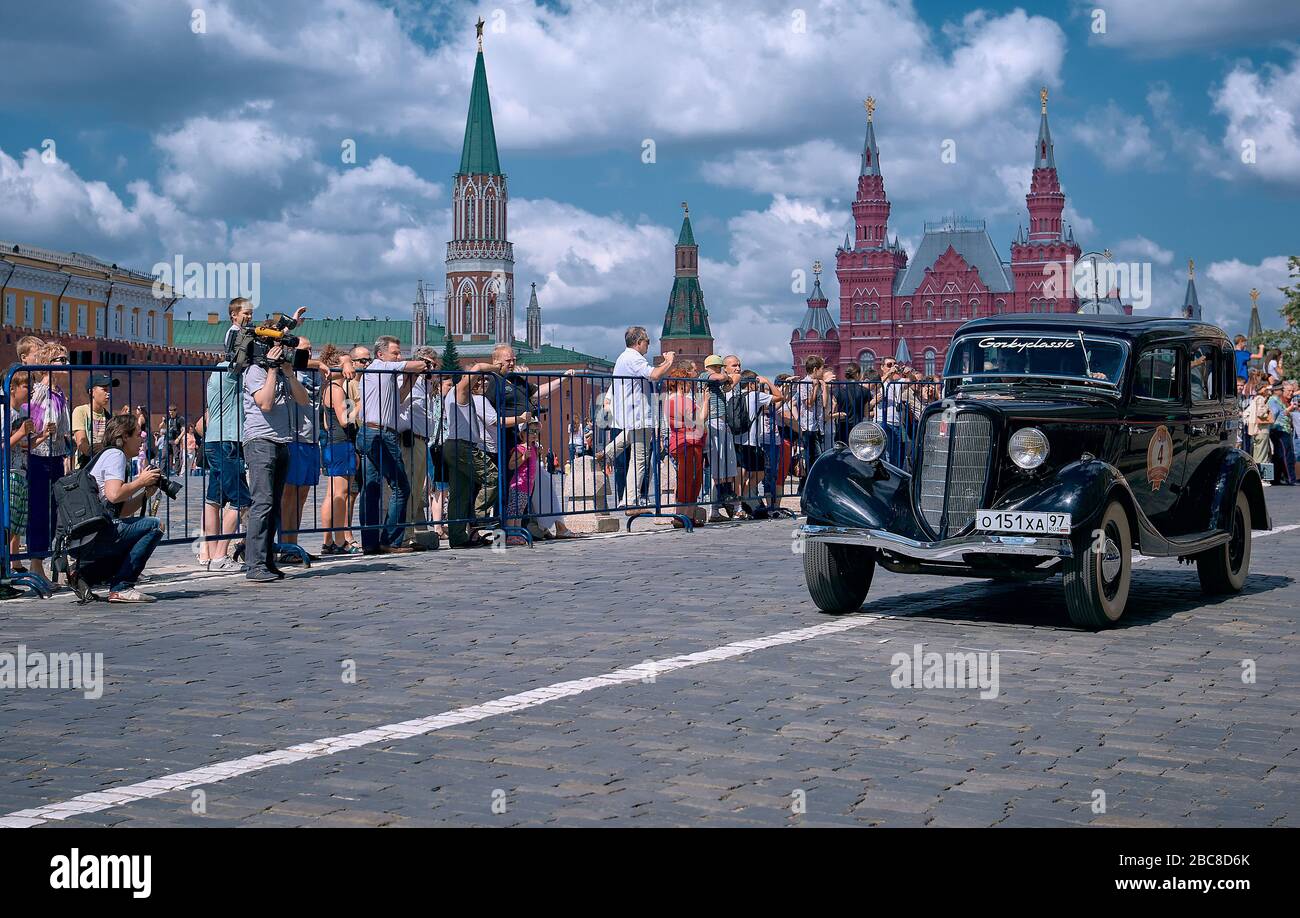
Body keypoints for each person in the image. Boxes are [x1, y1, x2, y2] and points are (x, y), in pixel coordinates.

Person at [354, 335, 435, 555]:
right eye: (395, 353)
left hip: (372, 432)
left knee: (371, 489)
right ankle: (390, 540)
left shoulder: (381, 374)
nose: (399, 356)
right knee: (402, 487)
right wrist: (425, 364)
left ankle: (370, 542)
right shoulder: (380, 367)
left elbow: (400, 397)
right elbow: (416, 363)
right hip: (380, 434)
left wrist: (412, 377)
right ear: (381, 354)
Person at [241, 339, 311, 582]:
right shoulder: (254, 371)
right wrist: (271, 369)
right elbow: (266, 403)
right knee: (262, 503)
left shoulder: (283, 372)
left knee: (274, 506)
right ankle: (254, 564)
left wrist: (289, 374)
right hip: (260, 441)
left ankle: (267, 560)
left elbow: (303, 401)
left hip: (282, 441)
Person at [80, 414, 165, 603]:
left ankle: (84, 574)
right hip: (96, 534)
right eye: (137, 433)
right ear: (124, 437)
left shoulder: (108, 455)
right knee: (155, 525)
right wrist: (140, 481)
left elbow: (122, 510)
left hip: (87, 535)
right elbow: (114, 494)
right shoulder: (116, 455)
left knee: (133, 528)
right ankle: (122, 586)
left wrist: (145, 494)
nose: (142, 437)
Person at [444, 363, 529, 547]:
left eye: (484, 379)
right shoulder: (462, 391)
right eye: (480, 378)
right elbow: (477, 367)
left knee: (460, 493)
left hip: (456, 445)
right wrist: (494, 369)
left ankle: (458, 538)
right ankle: (480, 517)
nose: (483, 382)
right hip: (462, 446)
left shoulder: (460, 395)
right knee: (493, 477)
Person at [608, 327, 674, 516]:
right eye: (647, 342)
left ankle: (606, 454)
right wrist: (668, 362)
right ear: (638, 342)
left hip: (633, 413)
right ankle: (631, 500)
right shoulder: (634, 358)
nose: (648, 345)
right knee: (640, 460)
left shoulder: (624, 357)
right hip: (638, 414)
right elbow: (654, 375)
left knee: (631, 442)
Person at [25, 343, 73, 584]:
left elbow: (63, 430)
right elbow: (31, 427)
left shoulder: (60, 393)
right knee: (40, 511)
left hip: (56, 456)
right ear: (48, 364)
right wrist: (44, 432)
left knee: (56, 512)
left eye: (66, 359)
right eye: (60, 360)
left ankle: (48, 562)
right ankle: (36, 564)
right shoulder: (40, 392)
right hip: (39, 457)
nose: (66, 364)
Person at [196, 359, 249, 571]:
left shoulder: (215, 376)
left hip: (213, 440)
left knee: (214, 499)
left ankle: (208, 553)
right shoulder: (231, 371)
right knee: (241, 499)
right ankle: (220, 555)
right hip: (229, 440)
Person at [279, 341, 321, 564]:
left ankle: (293, 543)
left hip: (312, 439)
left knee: (302, 496)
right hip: (294, 437)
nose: (309, 352)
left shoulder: (315, 371)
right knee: (288, 495)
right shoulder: (289, 370)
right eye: (304, 349)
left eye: (311, 349)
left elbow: (343, 362)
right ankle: (286, 545)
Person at [317, 345, 359, 555]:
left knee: (332, 493)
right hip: (341, 443)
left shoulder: (327, 388)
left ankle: (328, 540)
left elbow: (326, 423)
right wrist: (358, 405)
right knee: (340, 494)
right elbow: (344, 420)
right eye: (348, 364)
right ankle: (341, 539)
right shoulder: (337, 389)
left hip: (332, 443)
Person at [732, 369, 785, 517]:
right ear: (751, 384)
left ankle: (738, 503)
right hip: (752, 441)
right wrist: (767, 381)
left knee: (742, 475)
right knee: (760, 473)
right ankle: (741, 500)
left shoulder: (736, 395)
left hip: (738, 440)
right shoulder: (755, 396)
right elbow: (779, 397)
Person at [665, 362, 708, 525]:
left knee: (684, 479)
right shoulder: (684, 401)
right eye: (688, 382)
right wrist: (706, 401)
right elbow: (700, 419)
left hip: (679, 442)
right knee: (692, 480)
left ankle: (683, 515)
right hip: (690, 442)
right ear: (682, 383)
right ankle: (686, 515)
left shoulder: (669, 401)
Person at [698, 354, 738, 520]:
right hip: (713, 422)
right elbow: (720, 377)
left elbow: (729, 383)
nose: (719, 369)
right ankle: (718, 504)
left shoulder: (719, 381)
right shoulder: (705, 375)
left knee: (726, 464)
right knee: (717, 465)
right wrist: (725, 376)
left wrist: (729, 377)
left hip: (722, 423)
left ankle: (726, 497)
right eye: (717, 366)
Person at [6, 374, 36, 572]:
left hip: (20, 472)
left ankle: (11, 564)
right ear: (13, 388)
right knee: (6, 525)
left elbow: (22, 446)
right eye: (26, 386)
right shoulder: (5, 412)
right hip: (8, 472)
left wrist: (39, 437)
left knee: (16, 524)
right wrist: (20, 433)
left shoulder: (19, 412)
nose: (30, 390)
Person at [505, 423, 541, 545]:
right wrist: (524, 457)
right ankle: (510, 534)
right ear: (523, 433)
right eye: (531, 431)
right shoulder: (520, 448)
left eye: (536, 431)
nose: (534, 434)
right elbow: (511, 465)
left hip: (528, 486)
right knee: (513, 510)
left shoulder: (534, 448)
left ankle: (517, 533)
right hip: (518, 484)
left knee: (519, 511)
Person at [71, 373, 119, 464]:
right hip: (85, 465)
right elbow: (81, 442)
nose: (108, 394)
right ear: (92, 392)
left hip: (105, 464)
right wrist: (97, 450)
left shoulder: (110, 416)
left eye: (108, 390)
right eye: (104, 389)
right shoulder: (81, 411)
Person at [1267, 384, 1295, 486]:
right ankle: (1290, 478)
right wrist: (1287, 410)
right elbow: (1275, 414)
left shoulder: (1279, 400)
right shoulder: (1273, 400)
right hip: (1279, 430)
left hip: (1284, 429)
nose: (1289, 393)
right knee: (1286, 454)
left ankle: (1276, 479)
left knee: (1279, 455)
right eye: (1284, 390)